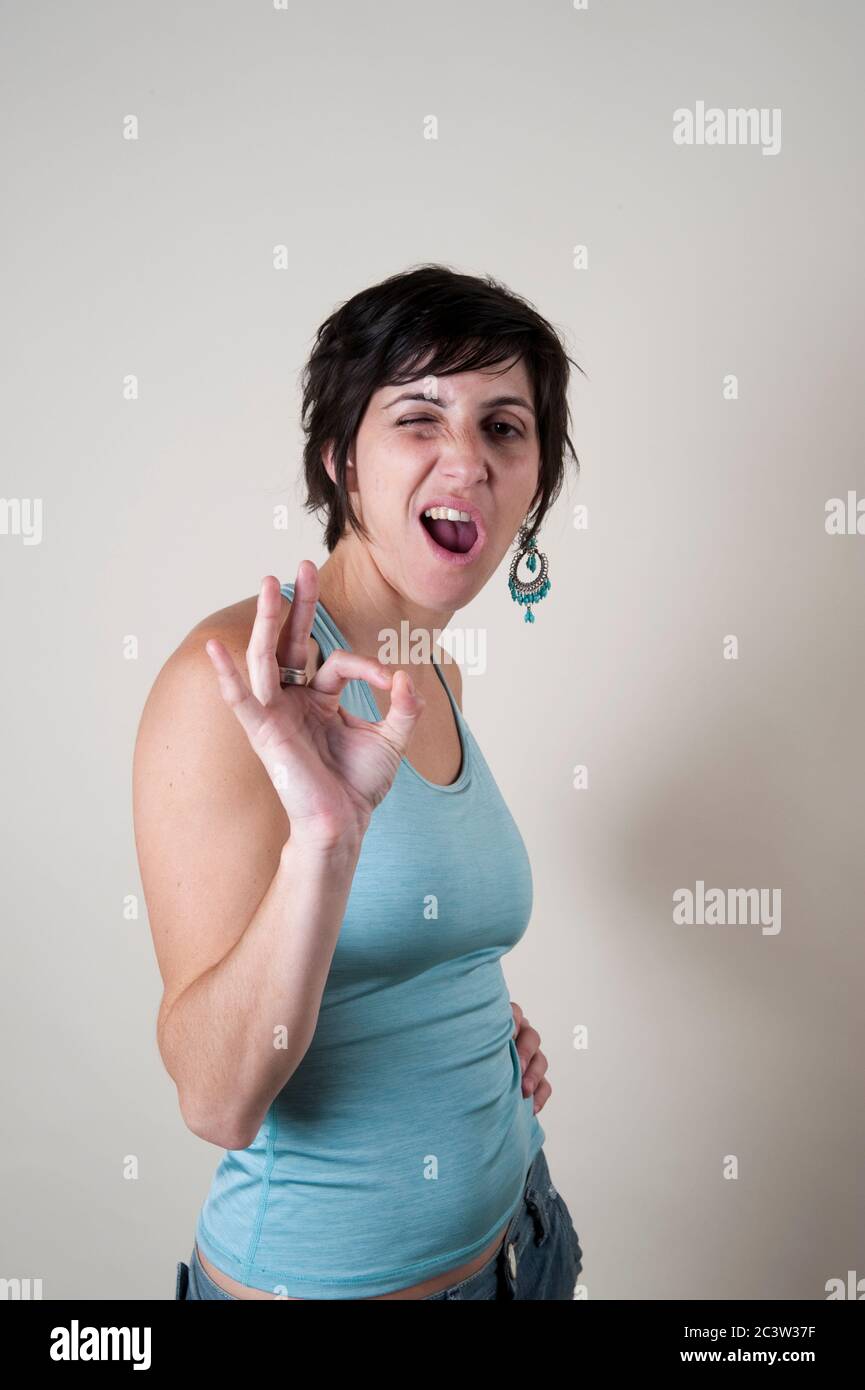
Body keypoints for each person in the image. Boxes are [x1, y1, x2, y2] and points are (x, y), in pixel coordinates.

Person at [133, 263, 584, 1300]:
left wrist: (476, 1026)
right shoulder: (228, 682)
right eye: (419, 418)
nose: (465, 458)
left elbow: (397, 938)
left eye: (504, 428)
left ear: (533, 486)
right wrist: (324, 841)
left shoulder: (435, 671)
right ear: (340, 458)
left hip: (524, 1241)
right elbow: (216, 1097)